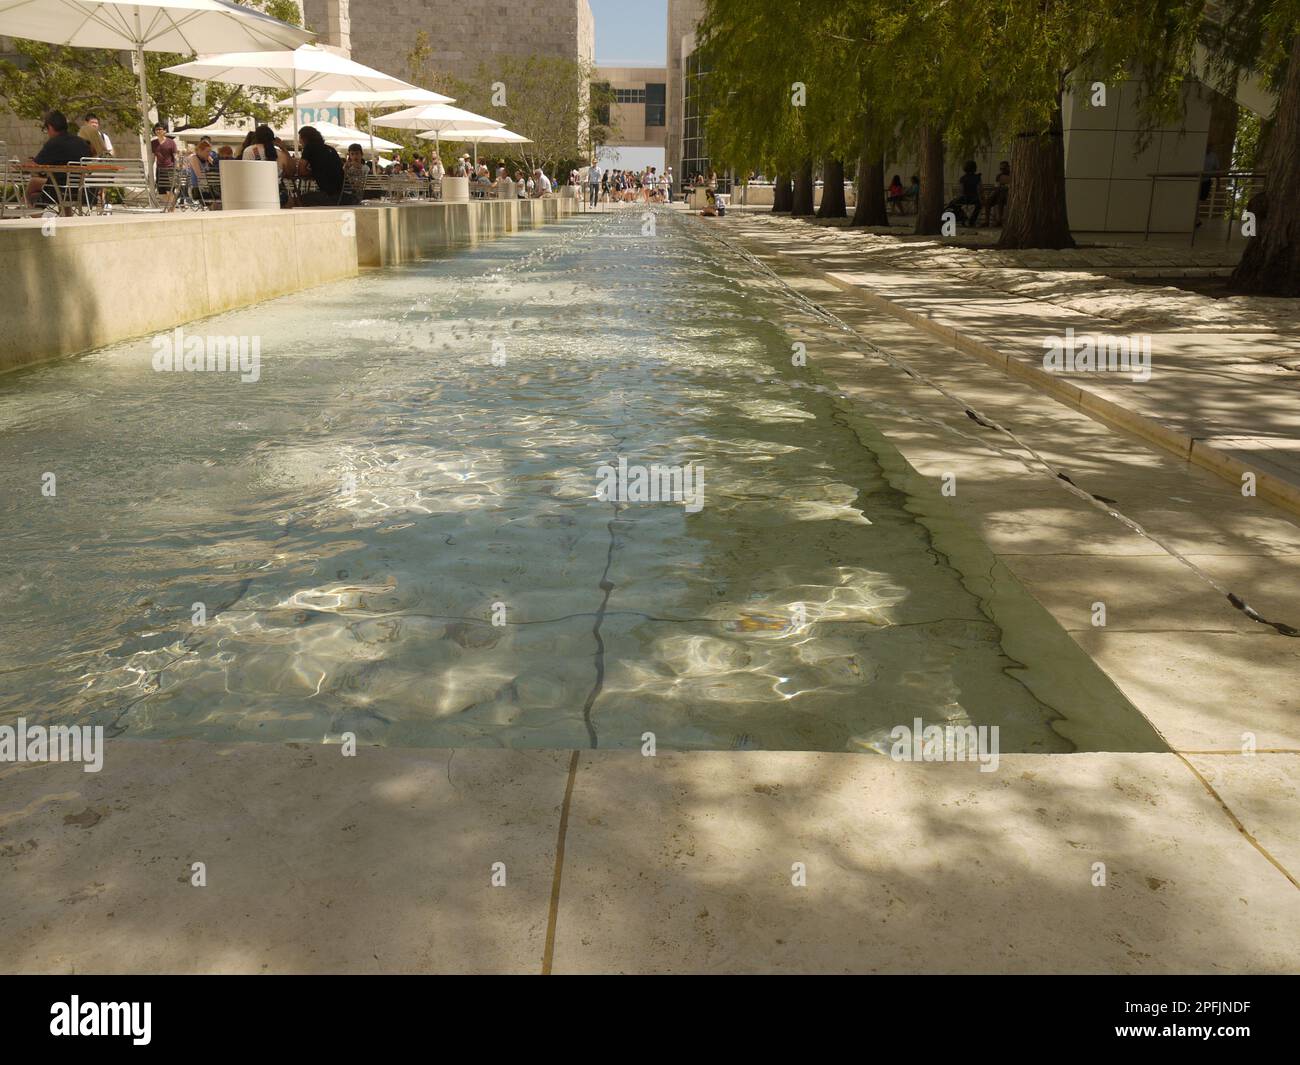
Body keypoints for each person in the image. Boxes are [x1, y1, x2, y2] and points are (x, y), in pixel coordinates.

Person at [26, 110, 92, 208]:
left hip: (59, 191)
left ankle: (33, 214)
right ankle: (66, 218)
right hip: (84, 192)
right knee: (45, 183)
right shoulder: (82, 143)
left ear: (51, 127)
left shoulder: (53, 143)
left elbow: (34, 166)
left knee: (32, 188)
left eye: (46, 129)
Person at [293, 125, 354, 205]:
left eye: (300, 138)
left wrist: (314, 173)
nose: (299, 141)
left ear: (305, 138)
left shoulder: (309, 147)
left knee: (297, 200)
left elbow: (301, 171)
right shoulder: (331, 149)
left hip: (332, 197)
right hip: (346, 196)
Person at [951, 159, 981, 227]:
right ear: (975, 168)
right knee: (979, 206)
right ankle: (972, 220)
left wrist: (957, 197)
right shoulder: (977, 178)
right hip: (974, 198)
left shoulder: (963, 178)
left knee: (953, 204)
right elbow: (980, 190)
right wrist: (982, 199)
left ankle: (963, 218)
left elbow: (961, 191)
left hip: (965, 198)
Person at [987, 160, 1010, 226]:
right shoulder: (999, 176)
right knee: (988, 201)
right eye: (1001, 168)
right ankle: (987, 221)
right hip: (998, 194)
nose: (1002, 170)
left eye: (1004, 168)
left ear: (1008, 167)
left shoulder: (1012, 175)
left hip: (1007, 196)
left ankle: (999, 220)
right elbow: (996, 186)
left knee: (1001, 197)